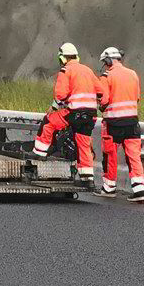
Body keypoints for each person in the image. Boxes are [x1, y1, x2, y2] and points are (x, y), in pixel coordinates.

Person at [33, 42, 100, 184]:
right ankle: (87, 178)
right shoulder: (88, 70)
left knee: (49, 121)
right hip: (91, 115)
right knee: (83, 143)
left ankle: (39, 154)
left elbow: (61, 95)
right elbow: (101, 92)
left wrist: (54, 107)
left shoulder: (65, 70)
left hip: (74, 113)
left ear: (63, 58)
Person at [97, 46, 144, 202]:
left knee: (110, 156)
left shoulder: (106, 76)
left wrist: (100, 106)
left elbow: (104, 100)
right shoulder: (133, 74)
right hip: (132, 122)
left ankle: (109, 188)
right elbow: (137, 97)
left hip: (113, 123)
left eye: (105, 62)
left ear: (108, 61)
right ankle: (139, 190)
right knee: (134, 156)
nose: (105, 66)